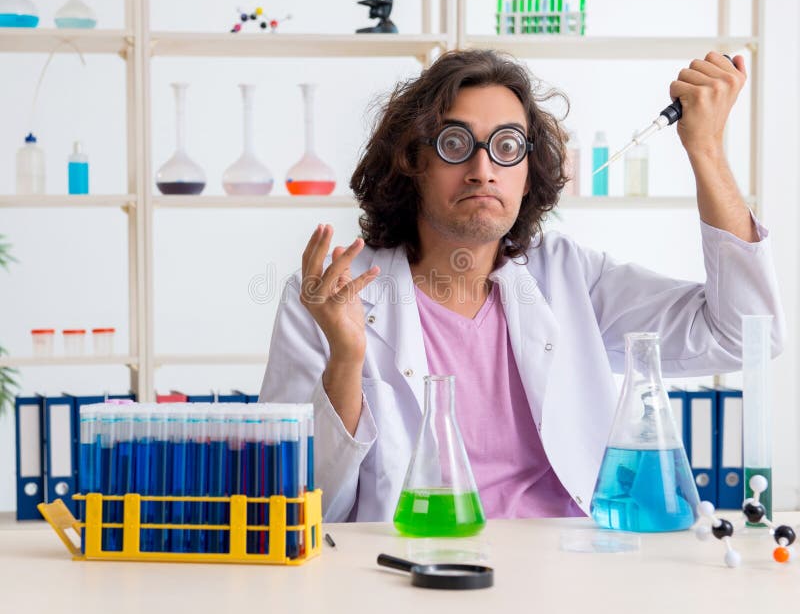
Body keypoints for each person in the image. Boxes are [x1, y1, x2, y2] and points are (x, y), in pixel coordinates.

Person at [260, 49, 784, 522]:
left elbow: (743, 334)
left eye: (507, 145)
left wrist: (707, 149)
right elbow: (294, 510)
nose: (482, 169)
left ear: (528, 172)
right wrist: (346, 361)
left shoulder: (569, 276)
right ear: (412, 163)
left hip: (571, 567)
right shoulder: (331, 297)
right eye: (454, 143)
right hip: (415, 570)